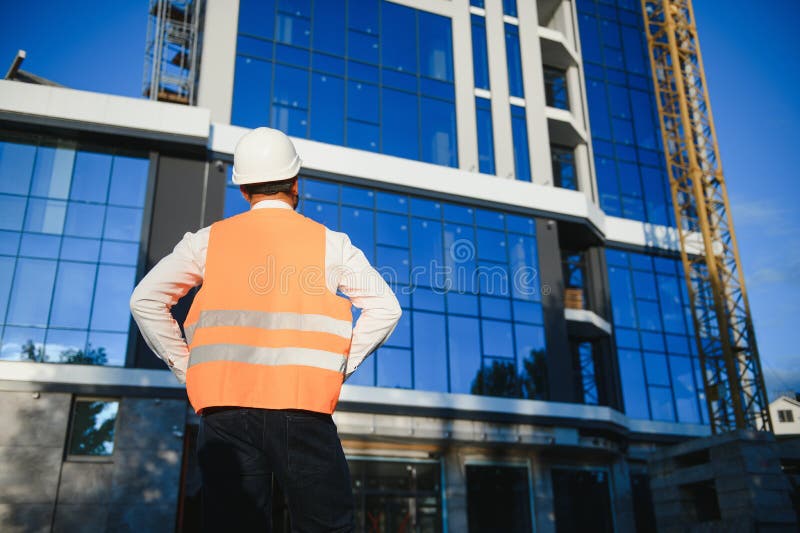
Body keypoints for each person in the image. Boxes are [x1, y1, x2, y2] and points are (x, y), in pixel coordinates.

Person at [130, 127, 402, 532]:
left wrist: (189, 371)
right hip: (304, 411)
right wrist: (338, 365)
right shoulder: (331, 244)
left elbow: (145, 300)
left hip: (225, 416)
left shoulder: (207, 242)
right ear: (295, 183)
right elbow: (386, 307)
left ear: (243, 189)